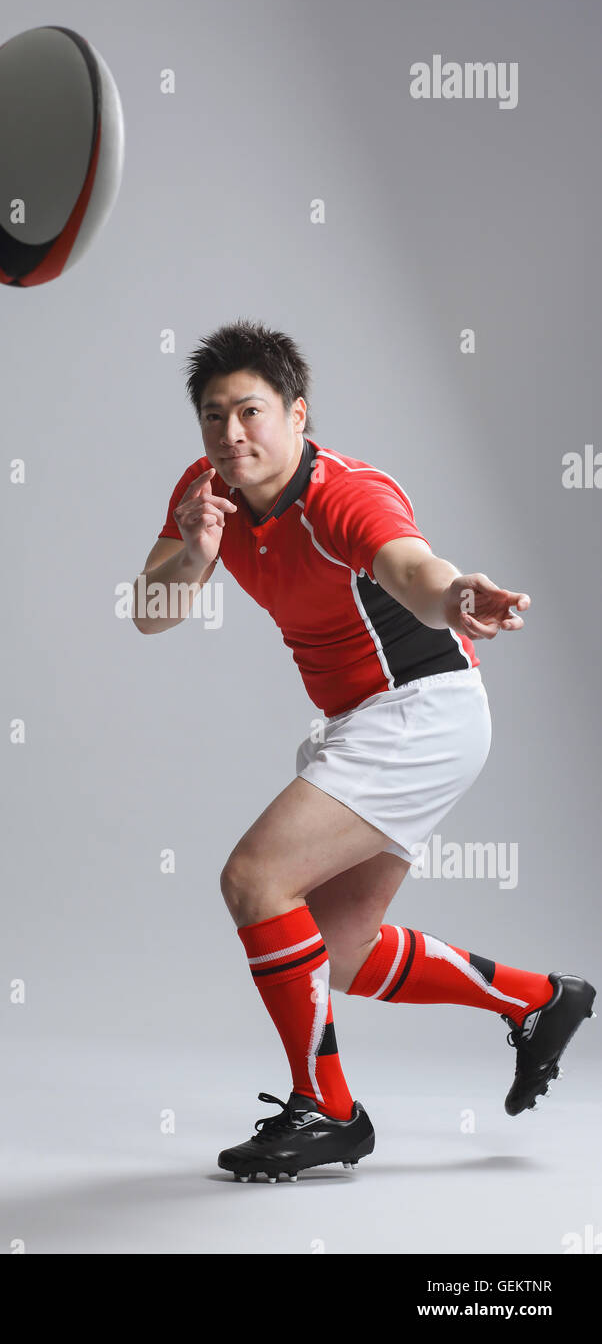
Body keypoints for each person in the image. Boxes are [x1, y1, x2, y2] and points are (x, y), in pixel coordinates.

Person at [132, 318, 596, 1183]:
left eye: (250, 412)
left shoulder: (343, 493)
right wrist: (195, 557)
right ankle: (539, 1001)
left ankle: (329, 1110)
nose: (230, 435)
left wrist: (458, 595)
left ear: (297, 414)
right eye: (210, 416)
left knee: (254, 880)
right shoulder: (205, 492)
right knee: (337, 950)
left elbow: (412, 569)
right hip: (366, 720)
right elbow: (149, 612)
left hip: (423, 710)